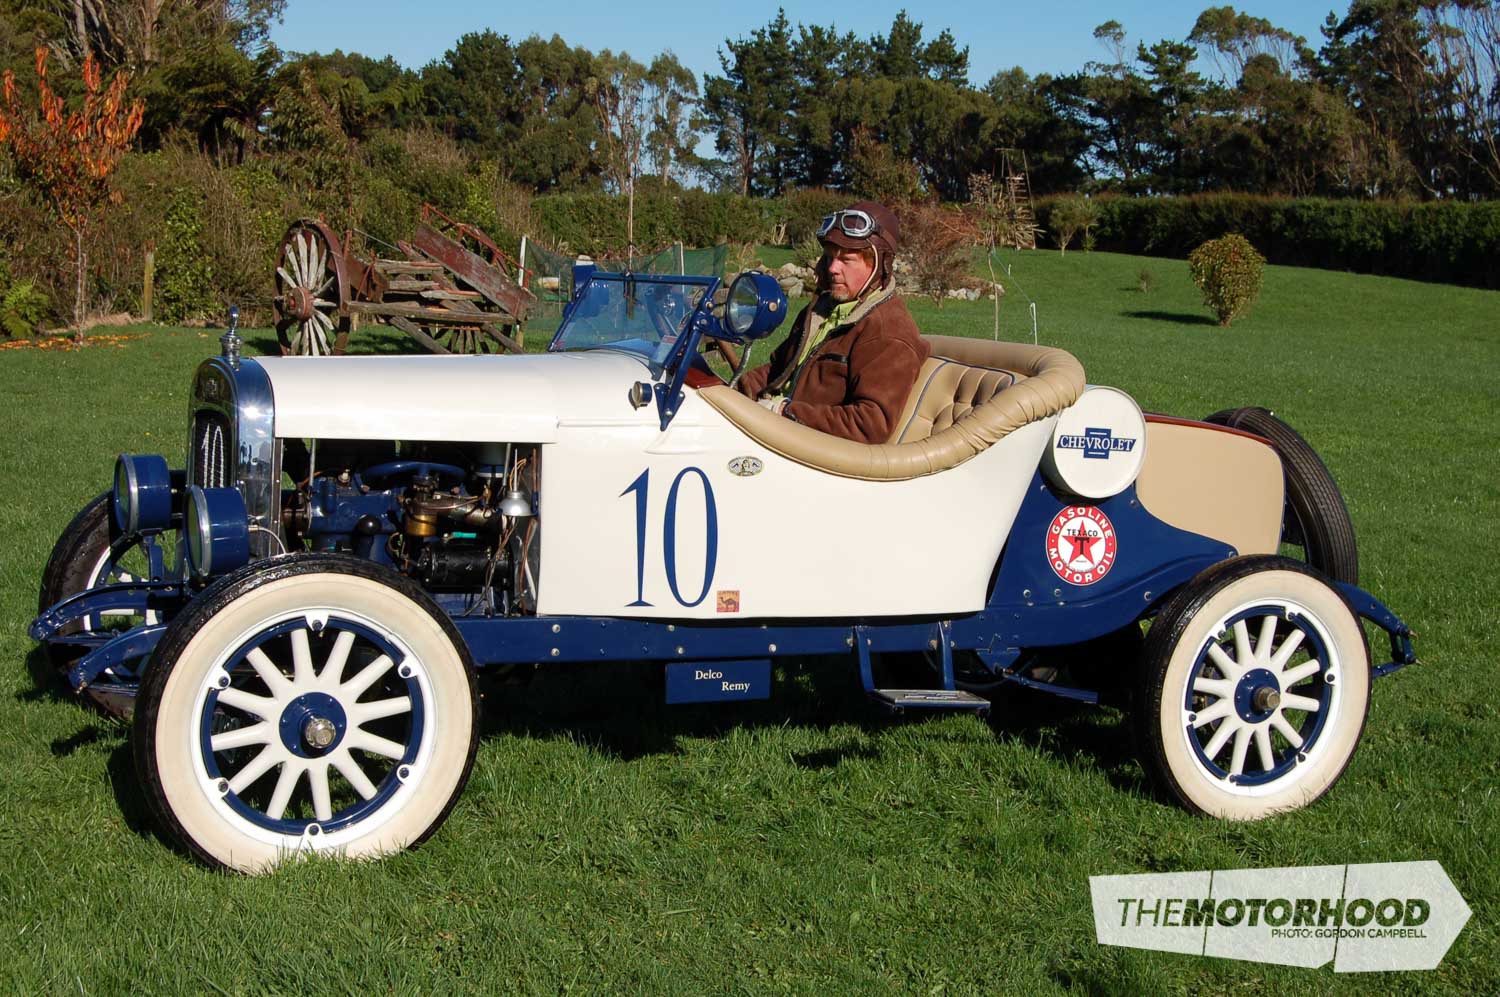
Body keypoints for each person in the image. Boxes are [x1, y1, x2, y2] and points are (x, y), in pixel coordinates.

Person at [736, 201, 929, 443]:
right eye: (829, 257)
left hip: (812, 455)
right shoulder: (823, 310)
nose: (833, 268)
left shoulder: (886, 331)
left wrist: (785, 411)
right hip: (777, 435)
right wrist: (731, 393)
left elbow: (870, 423)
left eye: (847, 259)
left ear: (881, 266)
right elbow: (777, 369)